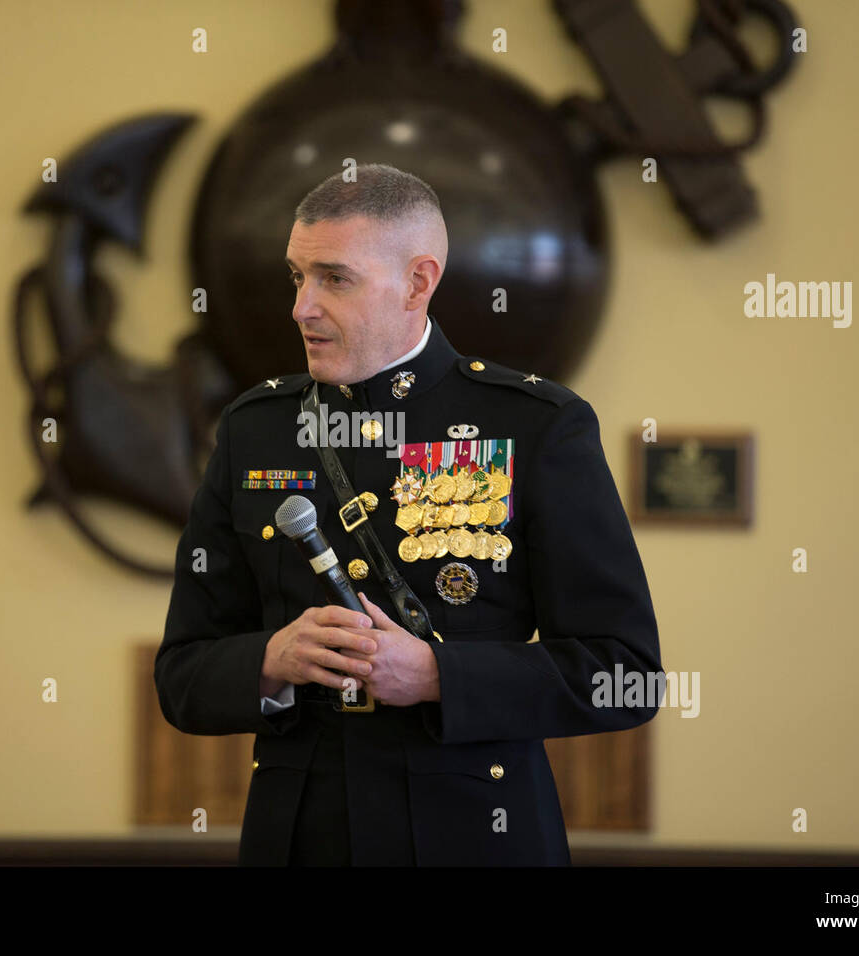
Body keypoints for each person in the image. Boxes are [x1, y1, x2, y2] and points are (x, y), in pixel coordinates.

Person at [155, 163, 662, 866]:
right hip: (303, 839)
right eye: (296, 276)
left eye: (334, 278)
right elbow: (181, 677)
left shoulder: (533, 426)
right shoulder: (255, 429)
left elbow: (625, 675)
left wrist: (436, 676)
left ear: (419, 282)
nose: (302, 307)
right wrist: (271, 661)